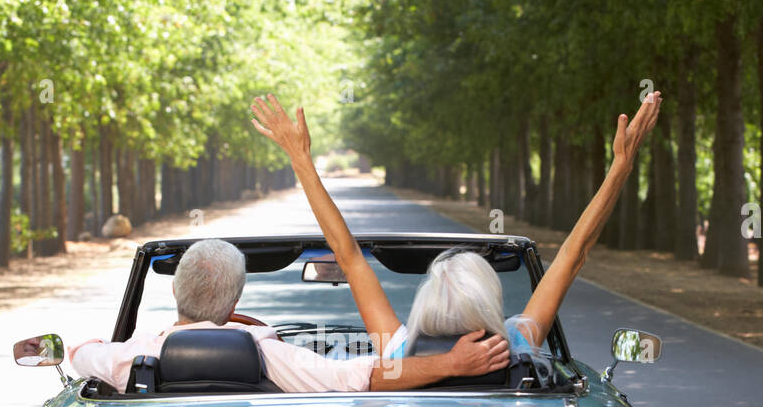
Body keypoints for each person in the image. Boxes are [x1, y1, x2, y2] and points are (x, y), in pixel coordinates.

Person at [249, 91, 662, 368]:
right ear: (491, 303)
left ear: (426, 307)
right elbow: (575, 253)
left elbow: (347, 255)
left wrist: (300, 158)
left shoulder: (400, 354)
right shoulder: (517, 343)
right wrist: (621, 168)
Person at [67, 237, 510, 393]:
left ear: (177, 291)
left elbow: (81, 354)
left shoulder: (134, 356)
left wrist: (93, 346)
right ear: (234, 303)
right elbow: (365, 377)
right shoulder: (269, 355)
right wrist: (452, 364)